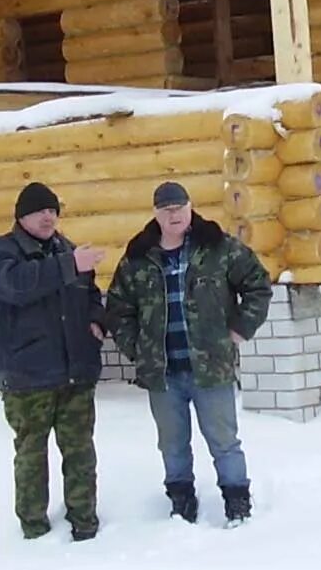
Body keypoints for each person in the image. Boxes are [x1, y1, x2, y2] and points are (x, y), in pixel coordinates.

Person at [105, 181, 272, 526]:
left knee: (224, 441)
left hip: (210, 369)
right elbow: (118, 307)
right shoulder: (138, 258)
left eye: (179, 208)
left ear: (190, 208)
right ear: (156, 214)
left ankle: (237, 501)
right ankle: (181, 503)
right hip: (163, 374)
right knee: (172, 445)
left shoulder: (217, 247)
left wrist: (241, 327)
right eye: (166, 210)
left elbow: (258, 283)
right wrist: (136, 348)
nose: (174, 215)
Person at [0, 181, 108, 540]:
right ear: (22, 216)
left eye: (53, 210)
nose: (49, 216)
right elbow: (19, 287)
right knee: (32, 456)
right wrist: (69, 264)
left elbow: (91, 295)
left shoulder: (68, 251)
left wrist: (98, 321)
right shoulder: (3, 253)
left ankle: (85, 522)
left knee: (80, 453)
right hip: (28, 377)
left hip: (75, 373)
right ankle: (34, 529)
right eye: (41, 210)